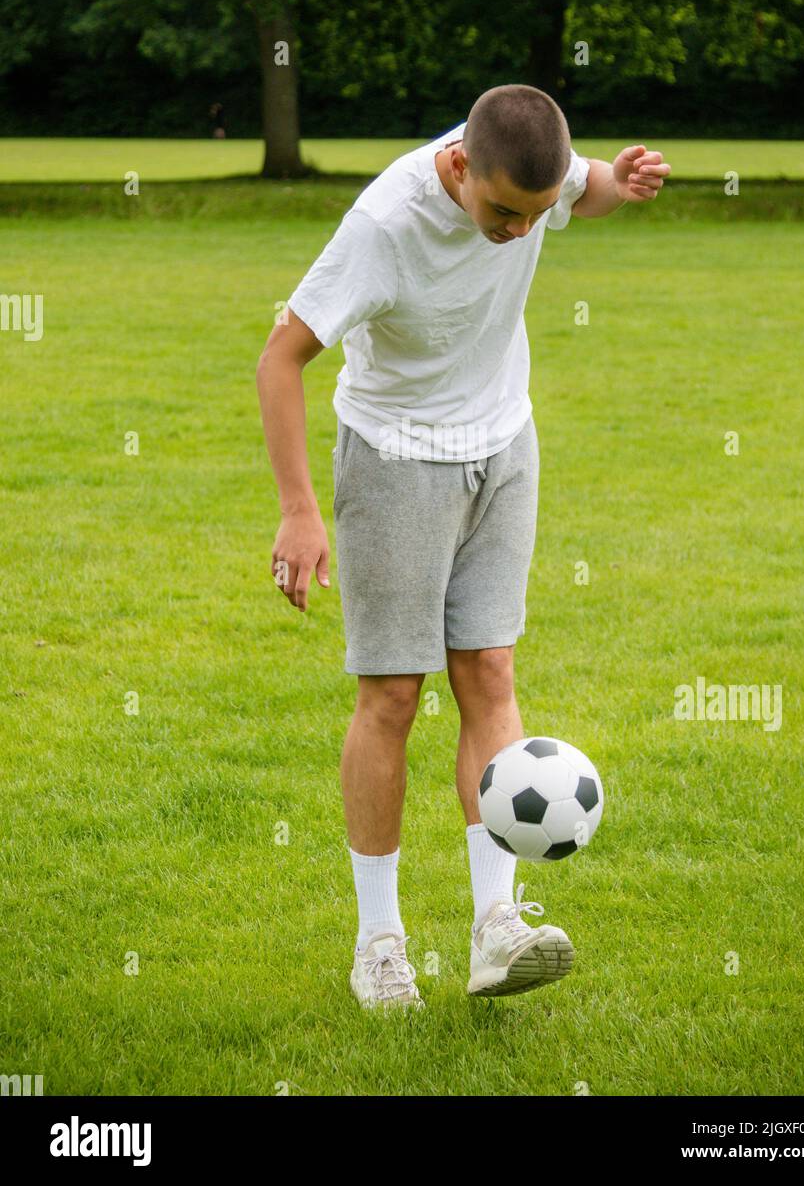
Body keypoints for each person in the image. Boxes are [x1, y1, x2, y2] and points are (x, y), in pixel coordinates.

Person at [256, 84, 670, 1010]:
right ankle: (380, 944)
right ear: (457, 166)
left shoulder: (535, 180)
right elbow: (279, 358)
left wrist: (621, 184)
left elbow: (585, 187)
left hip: (503, 449)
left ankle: (497, 928)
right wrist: (297, 509)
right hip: (398, 459)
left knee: (488, 672)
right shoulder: (385, 224)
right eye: (501, 214)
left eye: (534, 214)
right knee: (394, 696)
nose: (520, 233)